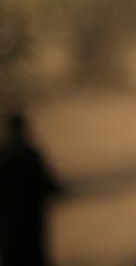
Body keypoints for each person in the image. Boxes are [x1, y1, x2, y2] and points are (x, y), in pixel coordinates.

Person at [0, 112, 61, 266]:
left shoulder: (7, 155)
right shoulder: (28, 155)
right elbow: (47, 184)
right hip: (26, 222)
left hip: (13, 224)